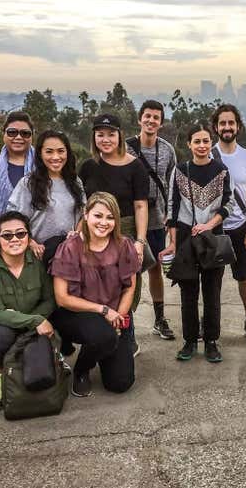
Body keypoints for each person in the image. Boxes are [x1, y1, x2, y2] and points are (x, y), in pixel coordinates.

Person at [50, 192, 141, 397]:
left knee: (120, 383)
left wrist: (118, 317)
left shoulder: (124, 245)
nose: (104, 222)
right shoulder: (70, 248)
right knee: (102, 336)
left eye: (110, 217)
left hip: (115, 313)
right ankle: (82, 370)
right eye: (98, 216)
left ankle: (102, 347)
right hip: (77, 312)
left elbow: (129, 288)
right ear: (86, 214)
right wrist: (103, 310)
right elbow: (62, 298)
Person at [160, 122, 233, 363]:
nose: (202, 145)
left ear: (210, 143)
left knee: (212, 292)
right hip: (184, 239)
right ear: (189, 144)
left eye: (205, 141)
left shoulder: (221, 171)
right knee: (188, 293)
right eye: (197, 141)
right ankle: (190, 341)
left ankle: (211, 341)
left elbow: (229, 204)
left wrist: (209, 225)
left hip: (212, 239)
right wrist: (172, 242)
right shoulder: (180, 170)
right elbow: (172, 206)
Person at [79, 114, 148, 354]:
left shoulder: (135, 166)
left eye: (111, 134)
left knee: (127, 284)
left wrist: (139, 241)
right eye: (100, 134)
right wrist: (79, 231)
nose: (106, 139)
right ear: (94, 137)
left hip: (126, 229)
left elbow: (141, 205)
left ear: (120, 135)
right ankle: (98, 335)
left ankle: (126, 334)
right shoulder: (88, 166)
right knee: (96, 283)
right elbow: (82, 204)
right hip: (92, 231)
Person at [0, 211, 56, 402]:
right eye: (7, 235)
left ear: (28, 236)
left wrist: (30, 320)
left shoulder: (37, 263)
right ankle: (0, 374)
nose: (15, 239)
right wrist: (35, 320)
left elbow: (49, 299)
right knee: (0, 336)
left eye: (21, 233)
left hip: (30, 320)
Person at [210, 104, 246, 344]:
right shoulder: (208, 154)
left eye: (231, 123)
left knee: (244, 277)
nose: (227, 127)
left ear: (238, 127)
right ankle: (211, 323)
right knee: (212, 279)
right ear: (216, 127)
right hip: (215, 227)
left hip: (241, 226)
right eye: (223, 123)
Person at [126, 100, 177, 340]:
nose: (151, 121)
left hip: (157, 220)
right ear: (140, 119)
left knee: (155, 268)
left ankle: (159, 318)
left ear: (161, 122)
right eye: (147, 116)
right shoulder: (125, 148)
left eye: (156, 117)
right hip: (129, 220)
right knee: (127, 272)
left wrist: (171, 215)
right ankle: (126, 320)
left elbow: (173, 182)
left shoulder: (167, 150)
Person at [7, 130, 85, 264]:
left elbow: (84, 214)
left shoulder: (75, 181)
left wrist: (76, 234)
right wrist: (31, 243)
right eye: (49, 151)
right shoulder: (28, 183)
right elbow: (13, 219)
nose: (56, 157)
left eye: (61, 151)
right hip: (37, 255)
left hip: (68, 254)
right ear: (40, 154)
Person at [0, 112, 36, 215]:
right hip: (5, 229)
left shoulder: (44, 165)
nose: (18, 137)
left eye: (25, 133)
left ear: (32, 136)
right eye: (12, 132)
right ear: (3, 134)